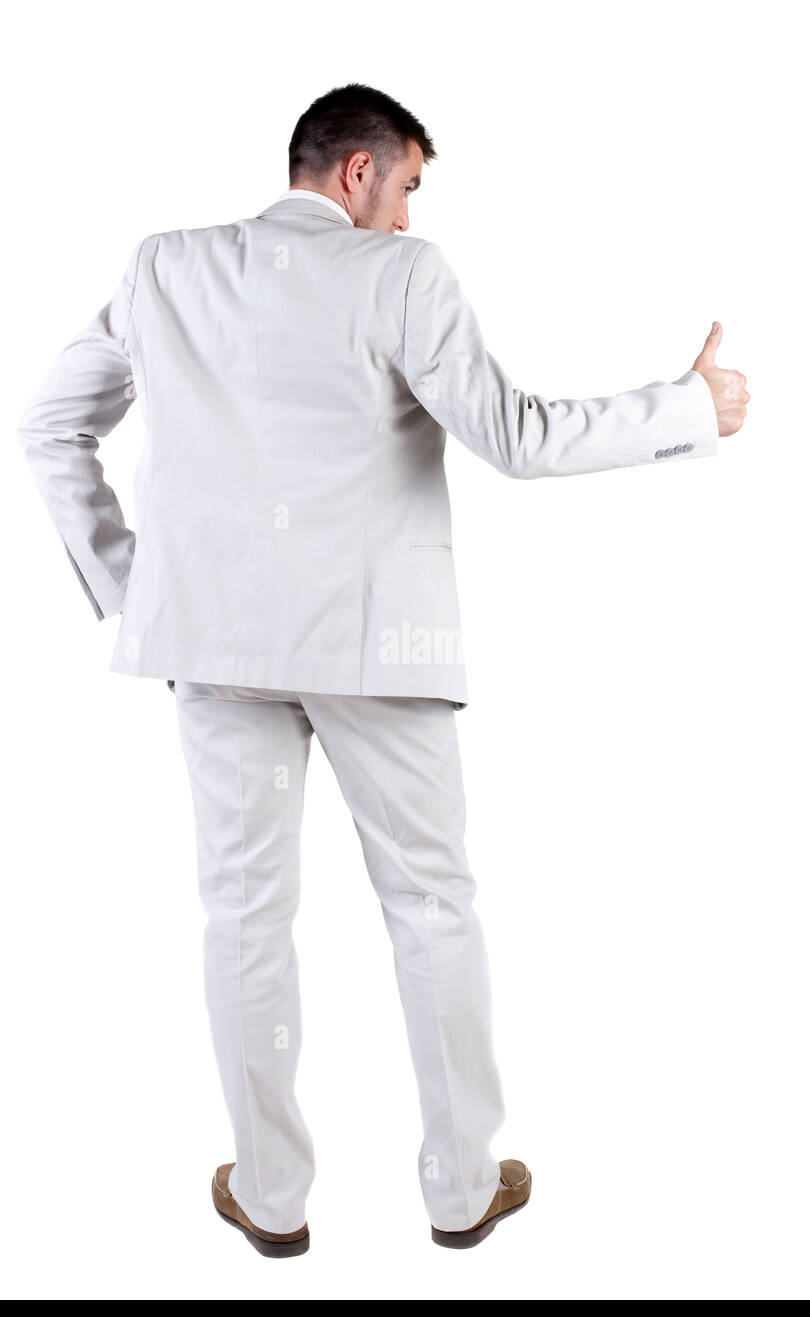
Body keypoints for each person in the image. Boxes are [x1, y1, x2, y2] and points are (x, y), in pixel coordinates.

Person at [17, 82, 749, 1257]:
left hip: (213, 649)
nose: (409, 214)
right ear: (357, 172)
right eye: (406, 184)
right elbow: (513, 436)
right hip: (379, 647)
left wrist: (132, 587)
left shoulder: (164, 267)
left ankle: (269, 1197)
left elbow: (50, 424)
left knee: (242, 917)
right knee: (431, 905)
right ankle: (460, 1190)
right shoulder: (402, 276)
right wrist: (687, 409)